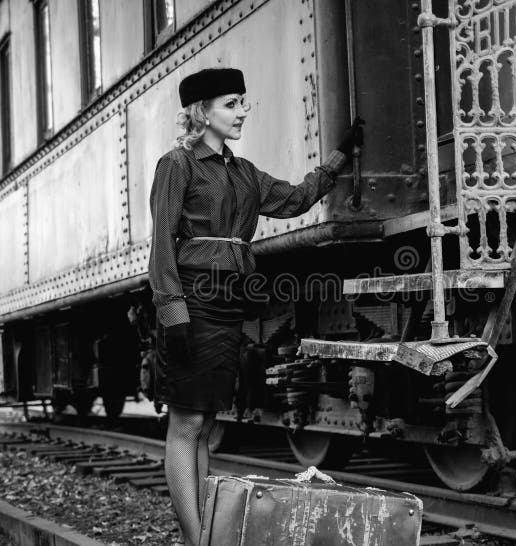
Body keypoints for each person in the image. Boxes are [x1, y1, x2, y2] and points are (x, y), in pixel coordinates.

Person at [147, 67, 363, 546]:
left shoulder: (243, 173)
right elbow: (162, 242)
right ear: (201, 112)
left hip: (228, 303)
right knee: (185, 422)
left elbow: (296, 200)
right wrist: (173, 313)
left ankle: (199, 534)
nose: (243, 111)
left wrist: (338, 158)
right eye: (231, 103)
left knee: (206, 423)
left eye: (244, 101)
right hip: (193, 298)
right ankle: (195, 537)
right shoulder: (176, 165)